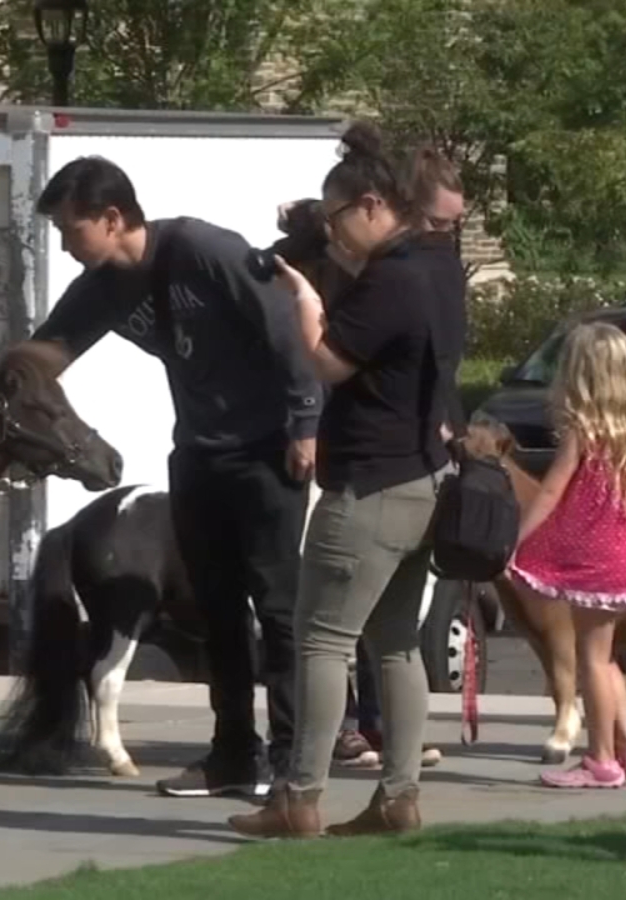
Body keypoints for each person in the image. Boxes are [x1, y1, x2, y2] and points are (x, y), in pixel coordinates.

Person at [30, 155, 325, 799]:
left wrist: (305, 422)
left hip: (267, 451)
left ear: (112, 219)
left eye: (69, 229)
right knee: (217, 613)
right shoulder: (104, 282)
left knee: (276, 610)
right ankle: (231, 757)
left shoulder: (201, 248)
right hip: (197, 456)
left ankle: (289, 760)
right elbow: (46, 351)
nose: (63, 244)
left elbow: (281, 325)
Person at [229, 121, 465, 839]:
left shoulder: (391, 277)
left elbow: (328, 362)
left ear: (369, 205)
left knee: (322, 640)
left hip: (368, 483)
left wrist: (306, 305)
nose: (332, 235)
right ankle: (398, 796)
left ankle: (299, 797)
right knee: (394, 643)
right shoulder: (439, 266)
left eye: (336, 219)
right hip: (425, 478)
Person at [507, 321, 626, 789]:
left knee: (593, 660)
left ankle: (601, 760)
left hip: (596, 560)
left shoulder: (583, 430)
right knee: (606, 656)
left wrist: (516, 538)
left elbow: (549, 492)